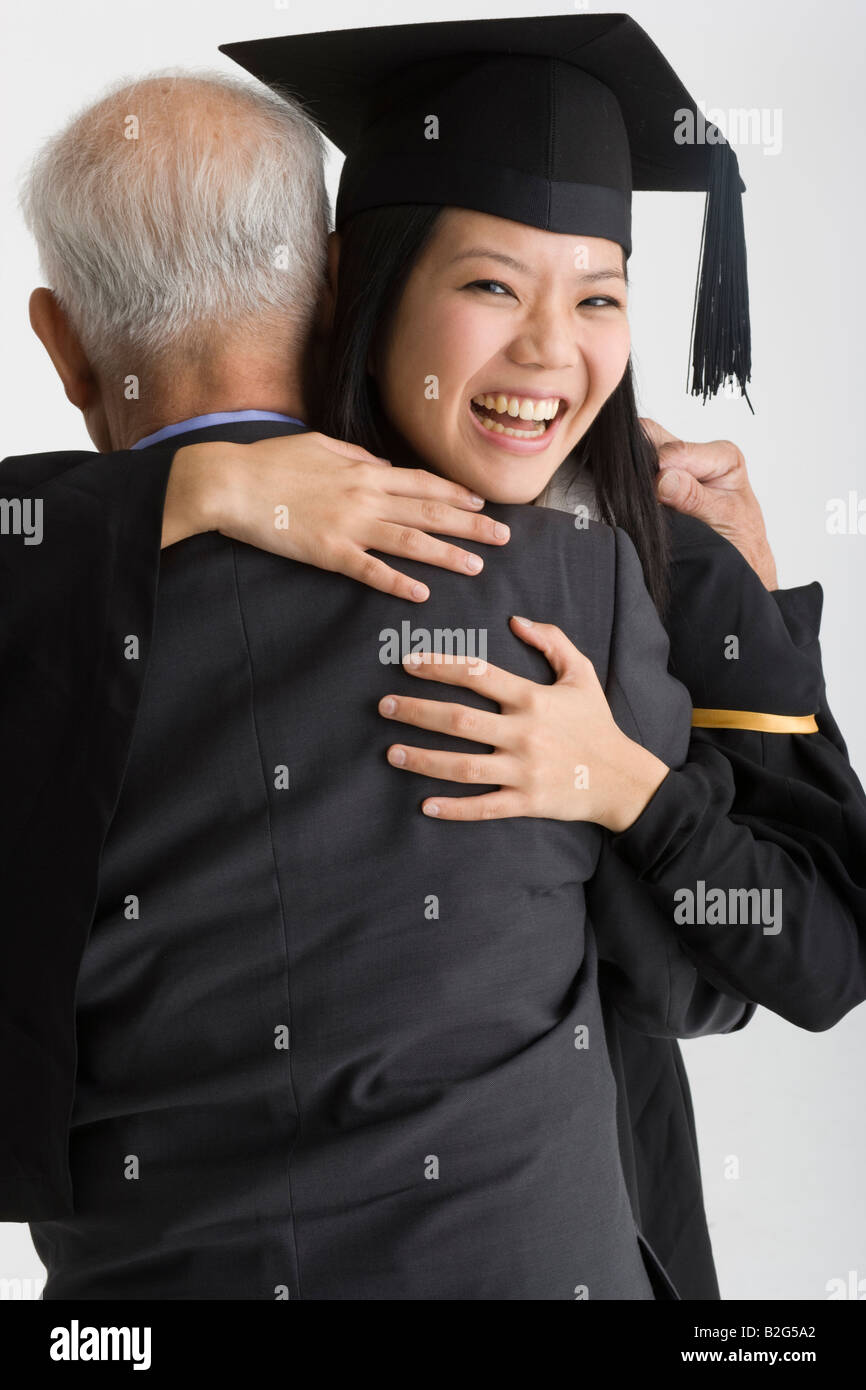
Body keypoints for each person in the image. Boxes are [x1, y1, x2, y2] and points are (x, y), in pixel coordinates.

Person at [4, 14, 865, 1296]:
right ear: (349, 283)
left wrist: (741, 626)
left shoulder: (49, 598)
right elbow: (711, 982)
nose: (545, 352)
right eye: (489, 284)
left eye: (597, 296)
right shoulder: (578, 588)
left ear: (62, 344)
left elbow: (803, 943)